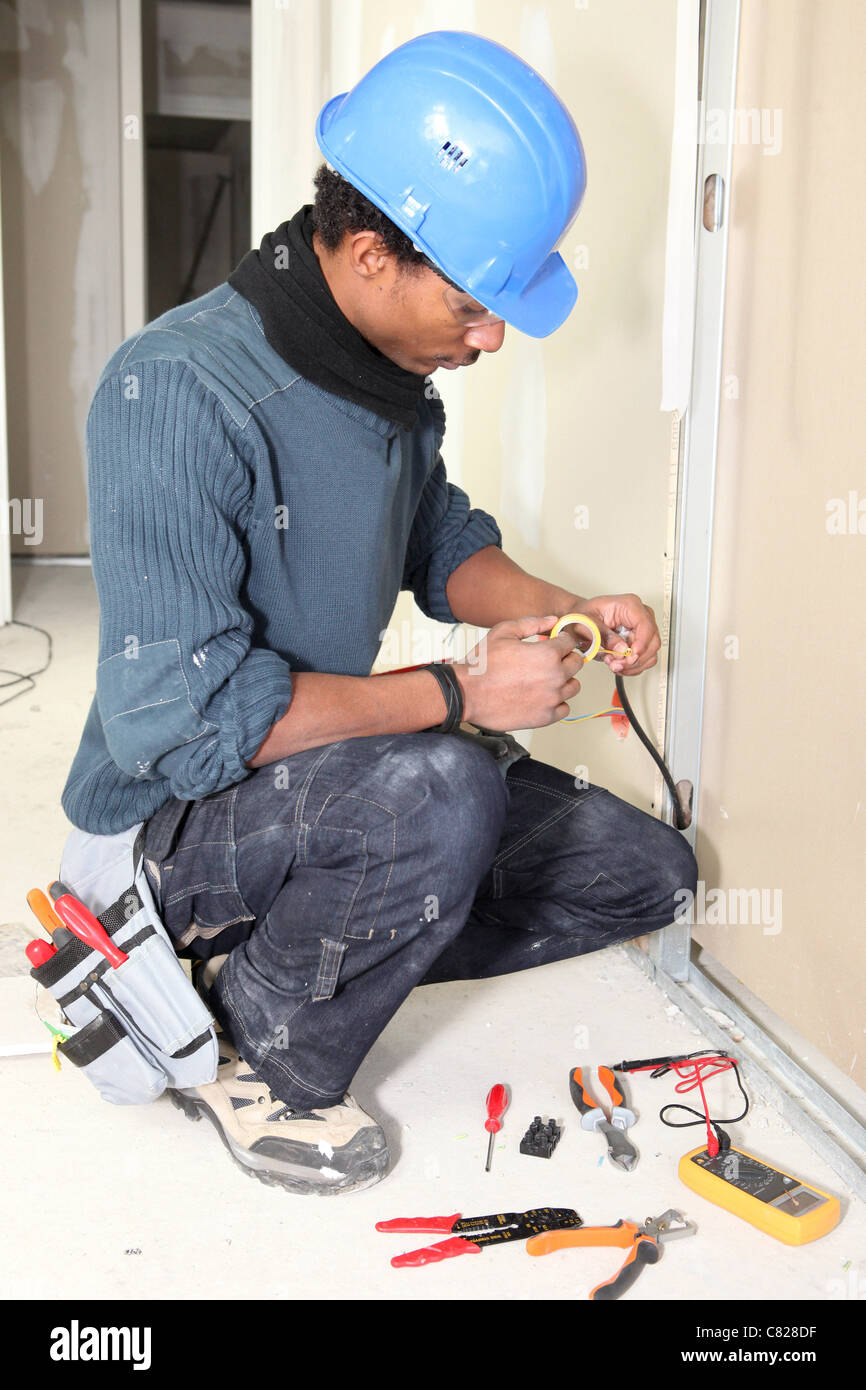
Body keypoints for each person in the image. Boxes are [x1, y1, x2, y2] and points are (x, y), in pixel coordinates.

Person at [61, 31, 697, 1194]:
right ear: (367, 256)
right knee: (441, 782)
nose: (489, 335)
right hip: (167, 821)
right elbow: (190, 726)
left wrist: (565, 609)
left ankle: (331, 924)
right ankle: (253, 1040)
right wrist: (459, 693)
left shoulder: (384, 386)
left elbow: (432, 538)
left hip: (320, 772)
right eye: (469, 304)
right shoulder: (174, 390)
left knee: (642, 871)